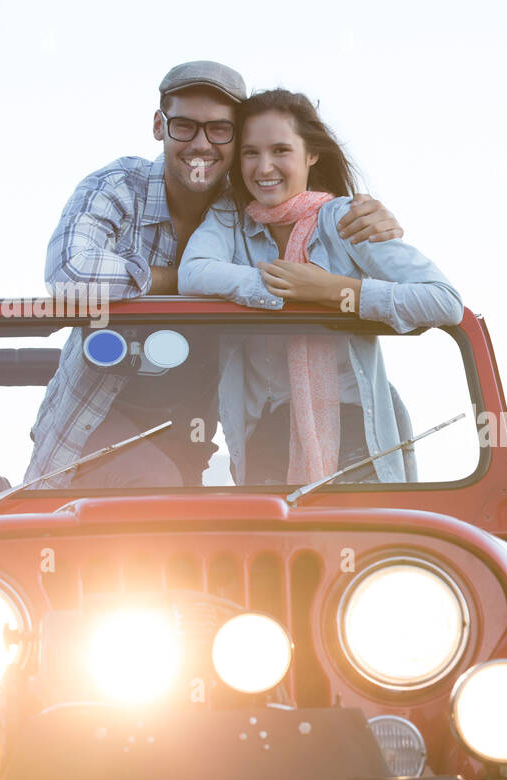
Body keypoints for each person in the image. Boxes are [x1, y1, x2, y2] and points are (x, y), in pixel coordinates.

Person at [22, 62, 404, 490]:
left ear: (237, 140)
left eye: (219, 130)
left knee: (198, 533)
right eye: (184, 126)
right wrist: (177, 281)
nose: (201, 144)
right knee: (153, 493)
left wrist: (363, 214)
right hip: (94, 420)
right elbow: (68, 274)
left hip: (194, 431)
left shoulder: (248, 207)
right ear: (158, 126)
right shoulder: (118, 187)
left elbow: (311, 228)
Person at [178, 89, 463, 486]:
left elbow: (443, 301)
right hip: (266, 434)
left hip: (353, 434)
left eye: (280, 150)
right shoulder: (230, 218)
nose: (264, 167)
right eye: (250, 153)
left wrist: (332, 291)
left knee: (357, 544)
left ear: (311, 154)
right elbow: (192, 273)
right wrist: (282, 287)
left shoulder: (344, 219)